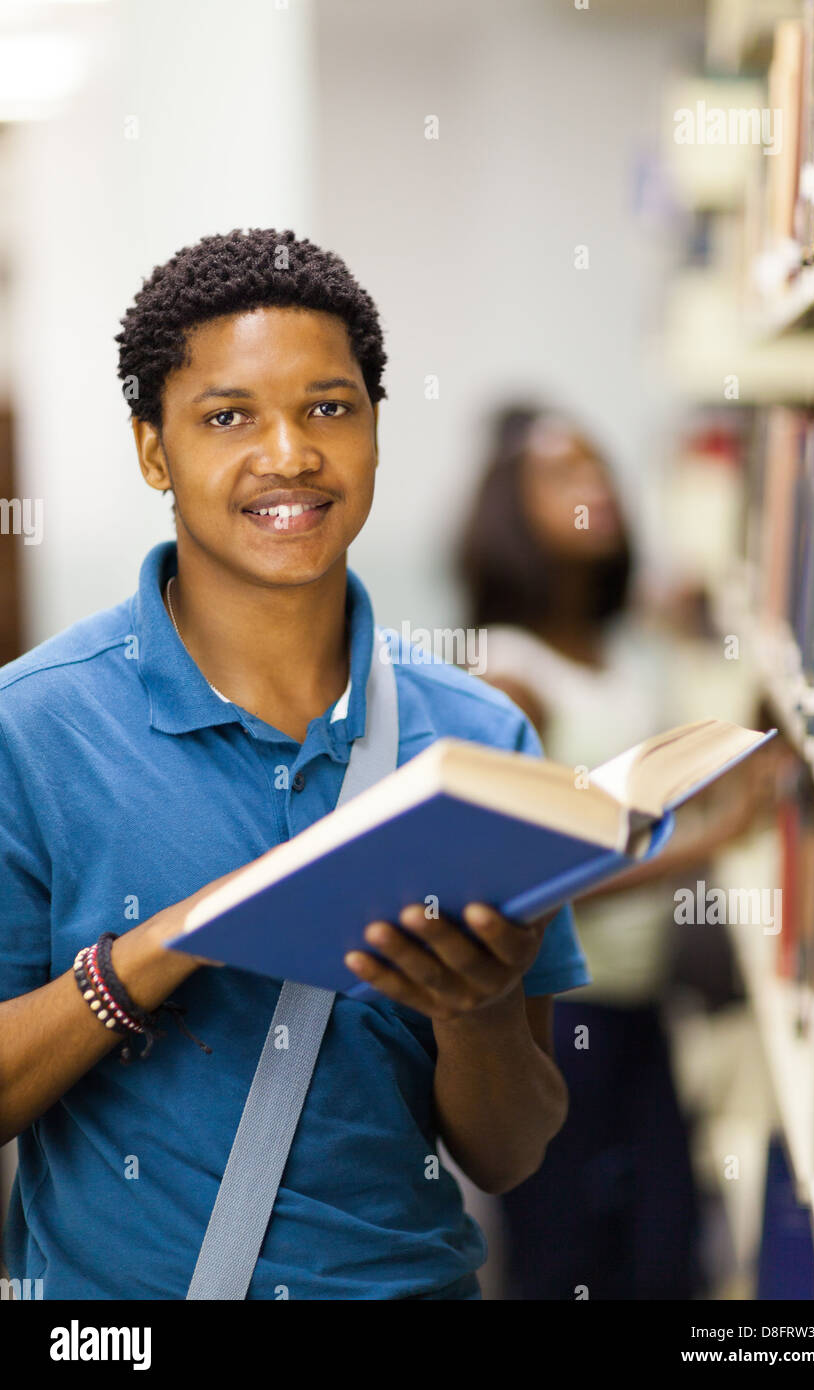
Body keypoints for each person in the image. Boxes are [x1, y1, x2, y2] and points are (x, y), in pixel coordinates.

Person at [0, 233, 590, 1301]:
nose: (289, 454)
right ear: (152, 450)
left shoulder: (479, 739)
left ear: (373, 428)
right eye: (228, 417)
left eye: (329, 407)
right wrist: (163, 946)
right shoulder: (33, 727)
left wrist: (477, 1011)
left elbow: (510, 1153)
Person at [457, 405, 764, 1299]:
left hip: (641, 1003)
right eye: (562, 476)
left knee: (666, 1258)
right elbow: (528, 885)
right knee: (569, 1263)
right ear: (509, 513)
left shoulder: (613, 649)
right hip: (564, 1022)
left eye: (599, 468)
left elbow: (632, 796)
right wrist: (715, 841)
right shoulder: (509, 677)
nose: (595, 490)